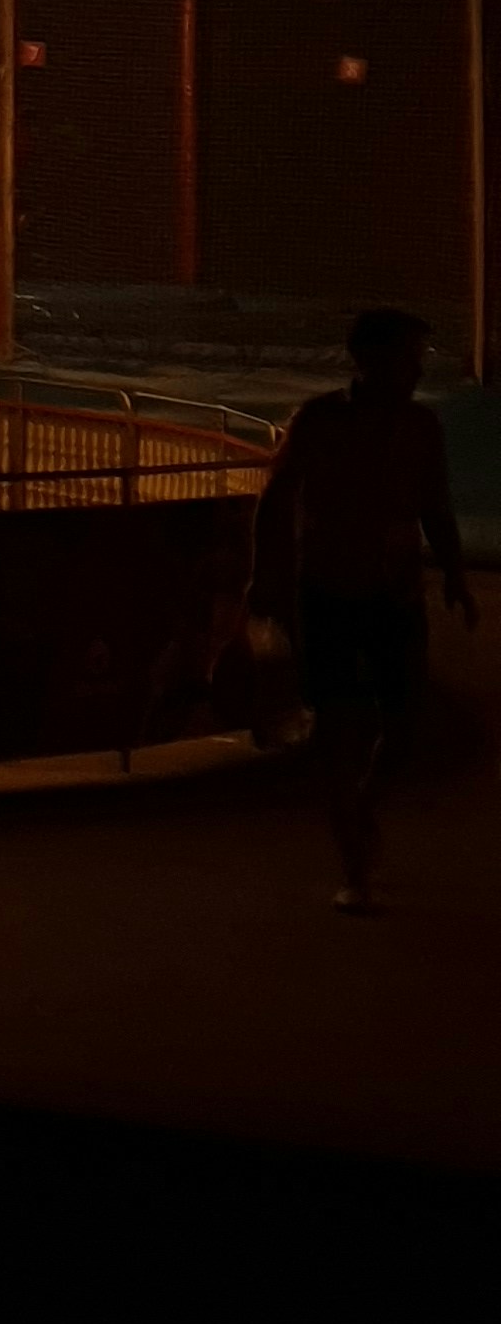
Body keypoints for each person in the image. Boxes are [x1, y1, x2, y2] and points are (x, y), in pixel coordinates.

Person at [255, 307, 476, 913]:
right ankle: (353, 866)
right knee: (336, 727)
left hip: (395, 593)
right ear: (370, 359)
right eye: (409, 354)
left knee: (402, 728)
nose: (417, 366)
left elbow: (435, 503)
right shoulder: (320, 421)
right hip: (328, 591)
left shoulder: (421, 426)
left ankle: (365, 807)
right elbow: (275, 501)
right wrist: (264, 579)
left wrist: (455, 573)